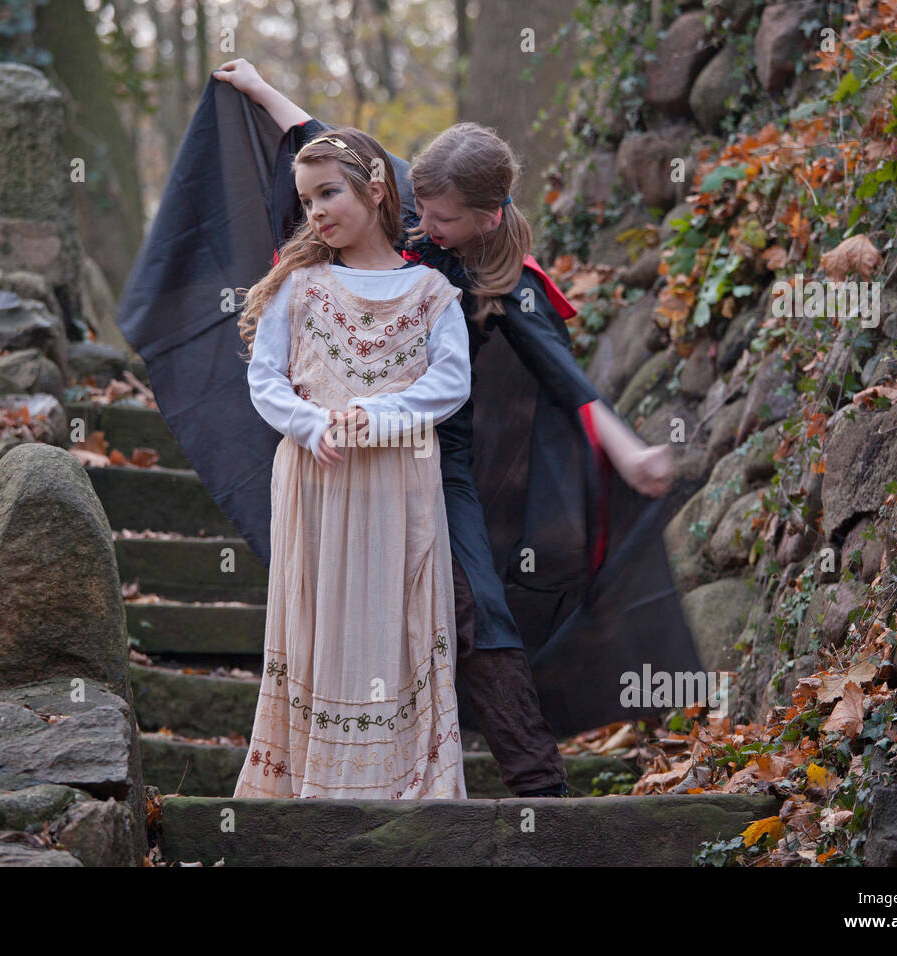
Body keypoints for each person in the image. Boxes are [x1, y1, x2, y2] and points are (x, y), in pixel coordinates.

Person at [212, 60, 703, 798]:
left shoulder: (504, 284)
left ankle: (538, 789)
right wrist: (257, 88)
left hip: (439, 459)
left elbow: (564, 379)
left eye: (441, 221)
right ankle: (334, 767)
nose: (423, 227)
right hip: (342, 454)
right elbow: (329, 148)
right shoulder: (408, 214)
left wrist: (629, 452)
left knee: (476, 603)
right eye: (419, 209)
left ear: (488, 218)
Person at [231, 126, 471, 799]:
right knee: (321, 620)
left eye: (327, 193)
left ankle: (402, 777)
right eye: (306, 201)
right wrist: (310, 425)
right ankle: (317, 779)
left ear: (375, 189)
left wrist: (383, 415)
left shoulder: (429, 292)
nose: (316, 212)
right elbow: (266, 378)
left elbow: (451, 383)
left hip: (399, 477)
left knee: (399, 615)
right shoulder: (298, 286)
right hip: (318, 476)